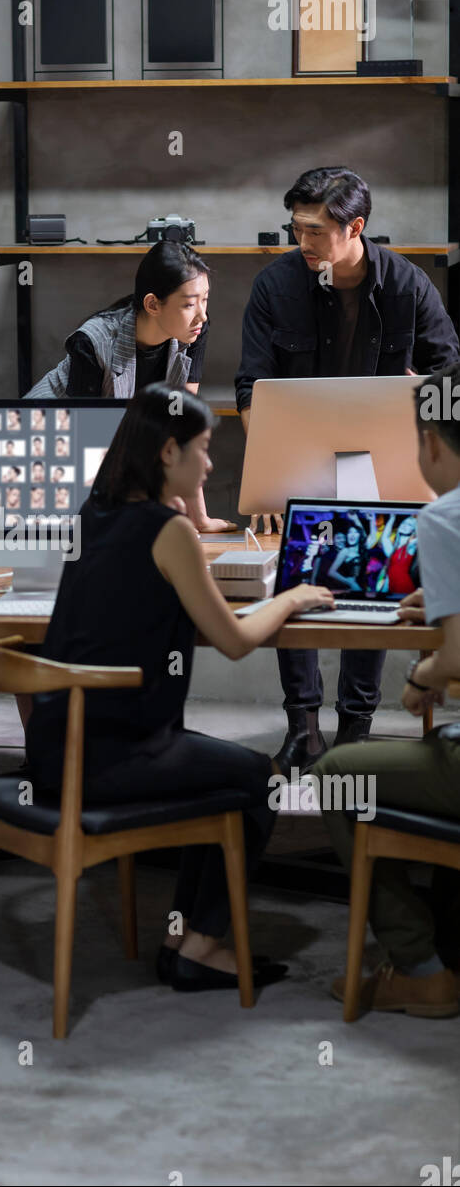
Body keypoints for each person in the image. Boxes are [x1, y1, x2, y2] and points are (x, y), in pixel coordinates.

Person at [24, 384, 335, 991]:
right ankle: (199, 945)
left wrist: (189, 507)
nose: (211, 464)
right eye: (203, 448)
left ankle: (184, 937)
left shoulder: (96, 514)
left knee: (221, 776)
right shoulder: (168, 533)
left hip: (56, 748)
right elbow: (237, 641)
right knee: (261, 779)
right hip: (118, 755)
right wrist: (293, 596)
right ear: (169, 452)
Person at [235, 168, 460, 776]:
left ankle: (354, 730)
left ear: (354, 227)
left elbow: (451, 379)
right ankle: (302, 728)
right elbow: (250, 387)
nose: (302, 242)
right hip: (301, 461)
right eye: (295, 229)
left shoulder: (409, 286)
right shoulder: (275, 286)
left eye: (314, 231)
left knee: (373, 588)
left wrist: (427, 394)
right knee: (297, 588)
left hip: (385, 462)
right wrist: (269, 464)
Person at [311, 365, 460, 1018]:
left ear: (429, 440)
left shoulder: (444, 517)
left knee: (336, 773)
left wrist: (420, 677)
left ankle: (422, 969)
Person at [25, 240, 235, 533]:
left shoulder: (194, 331)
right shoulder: (93, 342)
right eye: (189, 303)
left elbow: (183, 426)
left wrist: (198, 519)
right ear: (152, 304)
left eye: (205, 299)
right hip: (46, 440)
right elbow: (85, 445)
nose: (201, 314)